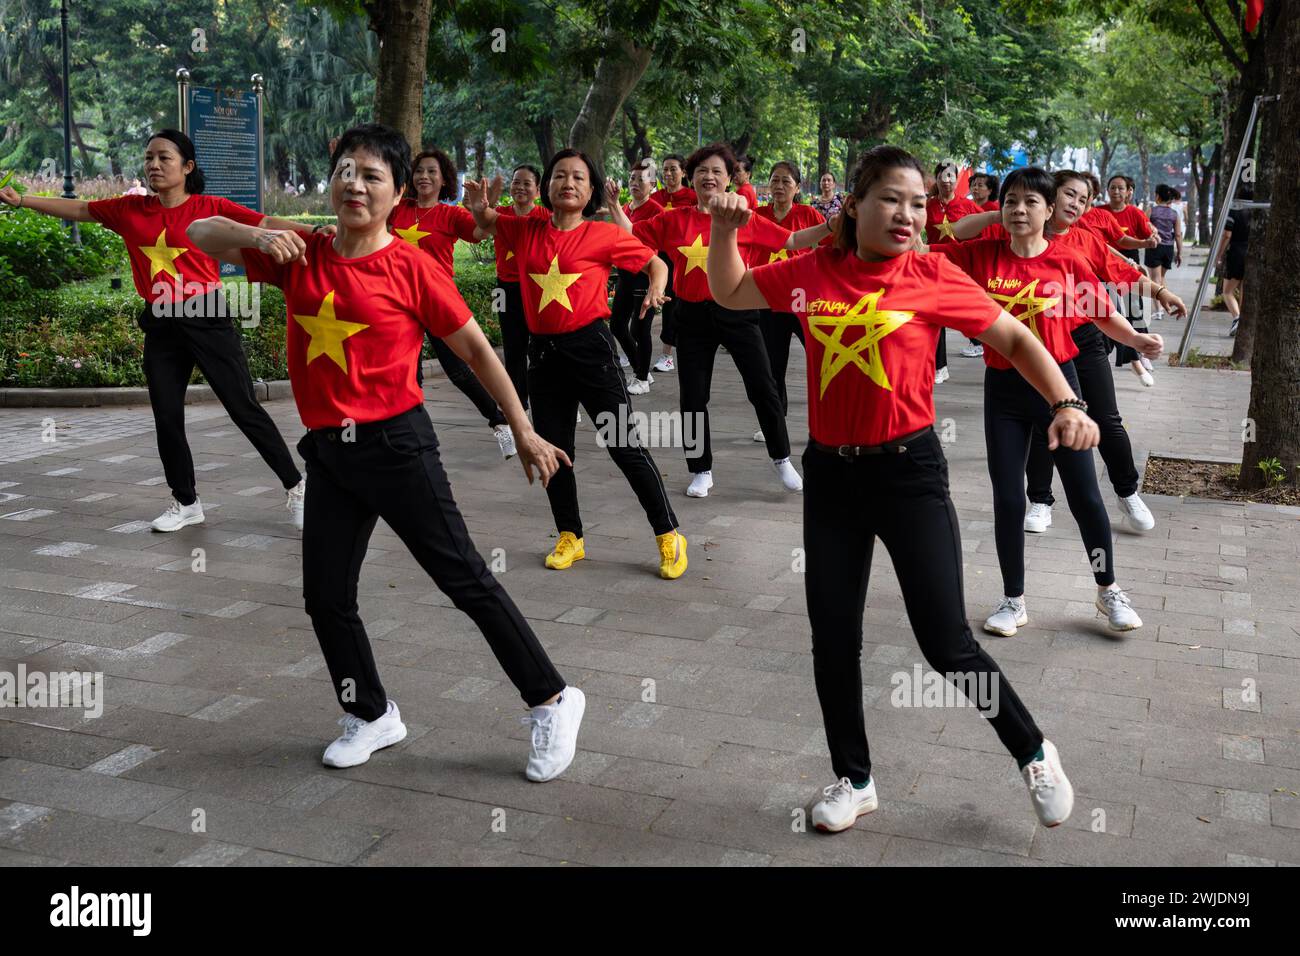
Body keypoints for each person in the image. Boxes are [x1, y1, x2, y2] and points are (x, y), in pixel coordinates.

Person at [705, 145, 1096, 832]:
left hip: (908, 474)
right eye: (891, 199)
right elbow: (731, 291)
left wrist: (1069, 403)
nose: (909, 214)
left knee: (946, 642)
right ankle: (854, 780)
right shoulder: (812, 272)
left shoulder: (932, 275)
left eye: (918, 202)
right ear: (853, 206)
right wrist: (725, 229)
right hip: (831, 476)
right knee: (833, 635)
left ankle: (1033, 749)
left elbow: (1016, 339)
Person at [186, 123, 585, 780]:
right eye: (346, 169)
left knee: (465, 580)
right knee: (326, 596)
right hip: (330, 455)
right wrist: (256, 234)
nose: (354, 183)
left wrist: (523, 429)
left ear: (399, 193)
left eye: (372, 175)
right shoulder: (301, 251)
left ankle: (552, 699)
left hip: (399, 447)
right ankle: (371, 714)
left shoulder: (411, 266)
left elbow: (477, 351)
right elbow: (199, 235)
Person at [1, 129, 311, 532]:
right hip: (161, 321)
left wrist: (319, 235)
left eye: (165, 158)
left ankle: (297, 487)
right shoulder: (130, 210)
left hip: (207, 316)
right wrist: (22, 199)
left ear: (187, 167)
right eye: (149, 158)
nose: (154, 165)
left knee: (243, 408)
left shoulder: (209, 207)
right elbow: (78, 209)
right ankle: (186, 502)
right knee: (167, 415)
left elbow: (265, 222)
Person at [930, 167, 1162, 639]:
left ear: (1049, 209)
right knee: (1009, 498)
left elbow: (1102, 311)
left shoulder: (1067, 261)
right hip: (1004, 392)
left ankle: (1108, 588)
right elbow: (923, 252)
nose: (1019, 209)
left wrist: (1136, 338)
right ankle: (1013, 599)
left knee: (1085, 497)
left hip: (1062, 392)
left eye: (1031, 202)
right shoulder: (980, 256)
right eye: (1011, 201)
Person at [464, 149, 688, 579]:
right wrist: (481, 209)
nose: (568, 183)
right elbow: (487, 223)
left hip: (591, 351)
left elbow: (655, 264)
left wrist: (657, 290)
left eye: (579, 178)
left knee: (624, 446)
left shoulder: (603, 234)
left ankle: (668, 534)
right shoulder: (526, 229)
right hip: (543, 355)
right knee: (555, 449)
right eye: (560, 176)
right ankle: (570, 535)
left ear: (590, 191)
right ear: (548, 187)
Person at [612, 142, 833, 499]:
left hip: (738, 312)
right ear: (691, 177)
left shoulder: (741, 217)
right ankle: (701, 469)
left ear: (729, 179)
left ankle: (782, 458)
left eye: (717, 172)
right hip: (693, 315)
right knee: (693, 397)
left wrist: (829, 227)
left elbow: (792, 239)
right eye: (702, 171)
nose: (709, 177)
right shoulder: (674, 219)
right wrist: (612, 205)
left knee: (763, 387)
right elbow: (633, 237)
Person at [390, 147, 517, 458]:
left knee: (458, 369)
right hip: (398, 301)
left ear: (443, 179)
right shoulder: (397, 209)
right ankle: (411, 437)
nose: (424, 176)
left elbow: (481, 231)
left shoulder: (451, 215)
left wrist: (482, 209)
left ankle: (500, 423)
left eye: (432, 171)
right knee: (408, 371)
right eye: (419, 171)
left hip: (436, 299)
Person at [750, 160, 825, 442]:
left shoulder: (809, 215)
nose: (779, 186)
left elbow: (830, 248)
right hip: (768, 300)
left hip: (805, 303)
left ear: (798, 187)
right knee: (772, 365)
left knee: (822, 359)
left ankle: (825, 418)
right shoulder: (756, 215)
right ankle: (775, 421)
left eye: (786, 182)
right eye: (775, 180)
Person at [493, 164, 550, 409]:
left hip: (538, 289)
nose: (520, 187)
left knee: (540, 347)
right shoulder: (498, 214)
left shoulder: (546, 217)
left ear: (537, 190)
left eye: (527, 183)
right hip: (505, 289)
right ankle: (519, 405)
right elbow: (477, 223)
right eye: (516, 182)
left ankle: (553, 399)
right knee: (513, 348)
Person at [609, 159, 665, 394]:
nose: (634, 183)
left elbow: (648, 243)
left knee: (642, 327)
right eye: (631, 178)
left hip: (645, 274)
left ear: (652, 183)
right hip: (625, 273)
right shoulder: (626, 207)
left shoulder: (656, 211)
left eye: (640, 179)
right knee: (617, 325)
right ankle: (641, 368)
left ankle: (641, 378)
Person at [928, 162, 984, 365]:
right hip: (933, 263)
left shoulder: (967, 205)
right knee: (937, 311)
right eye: (943, 176)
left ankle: (979, 340)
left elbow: (986, 227)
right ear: (937, 179)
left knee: (962, 307)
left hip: (960, 266)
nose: (947, 181)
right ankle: (939, 366)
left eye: (951, 176)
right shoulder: (928, 205)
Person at [649, 154, 697, 374]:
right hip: (660, 258)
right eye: (665, 170)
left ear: (684, 172)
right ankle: (651, 353)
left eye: (673, 169)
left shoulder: (692, 196)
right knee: (663, 304)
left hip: (688, 257)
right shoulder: (655, 198)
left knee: (677, 304)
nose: (668, 174)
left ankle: (668, 354)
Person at [1216, 185, 1252, 337]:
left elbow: (1227, 235)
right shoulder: (1258, 212)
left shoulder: (1234, 211)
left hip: (1236, 252)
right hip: (1253, 253)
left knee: (1227, 291)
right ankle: (1243, 321)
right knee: (1245, 287)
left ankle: (1237, 318)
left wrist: (1218, 254)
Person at [1147, 184, 1183, 319]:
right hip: (1168, 249)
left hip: (1154, 246)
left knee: (1154, 279)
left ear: (1157, 195)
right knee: (1161, 278)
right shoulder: (1174, 214)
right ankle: (1165, 304)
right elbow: (1178, 235)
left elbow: (1144, 227)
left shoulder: (1151, 211)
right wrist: (1179, 253)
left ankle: (1158, 310)